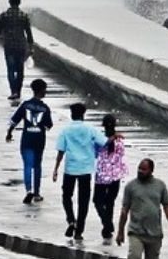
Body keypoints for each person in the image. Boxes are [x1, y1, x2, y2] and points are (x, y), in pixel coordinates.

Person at [52, 102, 108, 241]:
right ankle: (79, 231)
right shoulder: (90, 129)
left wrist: (56, 169)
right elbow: (104, 143)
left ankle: (71, 220)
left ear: (71, 114)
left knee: (66, 196)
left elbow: (61, 150)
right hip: (85, 169)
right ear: (83, 114)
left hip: (70, 168)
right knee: (83, 201)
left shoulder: (66, 130)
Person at [115, 158, 168, 259]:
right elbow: (124, 210)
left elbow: (167, 207)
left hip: (155, 234)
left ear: (151, 170)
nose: (140, 171)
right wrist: (120, 231)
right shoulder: (130, 187)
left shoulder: (160, 185)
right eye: (139, 168)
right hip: (136, 232)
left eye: (144, 169)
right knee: (134, 256)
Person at [7, 78, 53, 203]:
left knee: (27, 165)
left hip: (27, 138)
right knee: (37, 165)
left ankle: (28, 190)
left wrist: (9, 132)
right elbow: (49, 126)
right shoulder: (45, 108)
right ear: (42, 90)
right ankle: (37, 193)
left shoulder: (25, 105)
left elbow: (14, 120)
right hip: (39, 139)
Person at [0, 0, 35, 101]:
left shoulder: (4, 15)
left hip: (9, 46)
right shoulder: (24, 16)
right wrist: (31, 46)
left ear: (9, 2)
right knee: (20, 69)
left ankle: (13, 91)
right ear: (19, 2)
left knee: (11, 69)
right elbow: (28, 33)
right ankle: (18, 91)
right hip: (21, 45)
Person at [94, 114, 128, 240]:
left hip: (102, 175)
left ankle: (107, 224)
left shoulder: (100, 139)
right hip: (116, 175)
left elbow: (95, 152)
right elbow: (121, 155)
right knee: (110, 202)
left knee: (97, 201)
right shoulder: (120, 140)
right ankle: (107, 228)